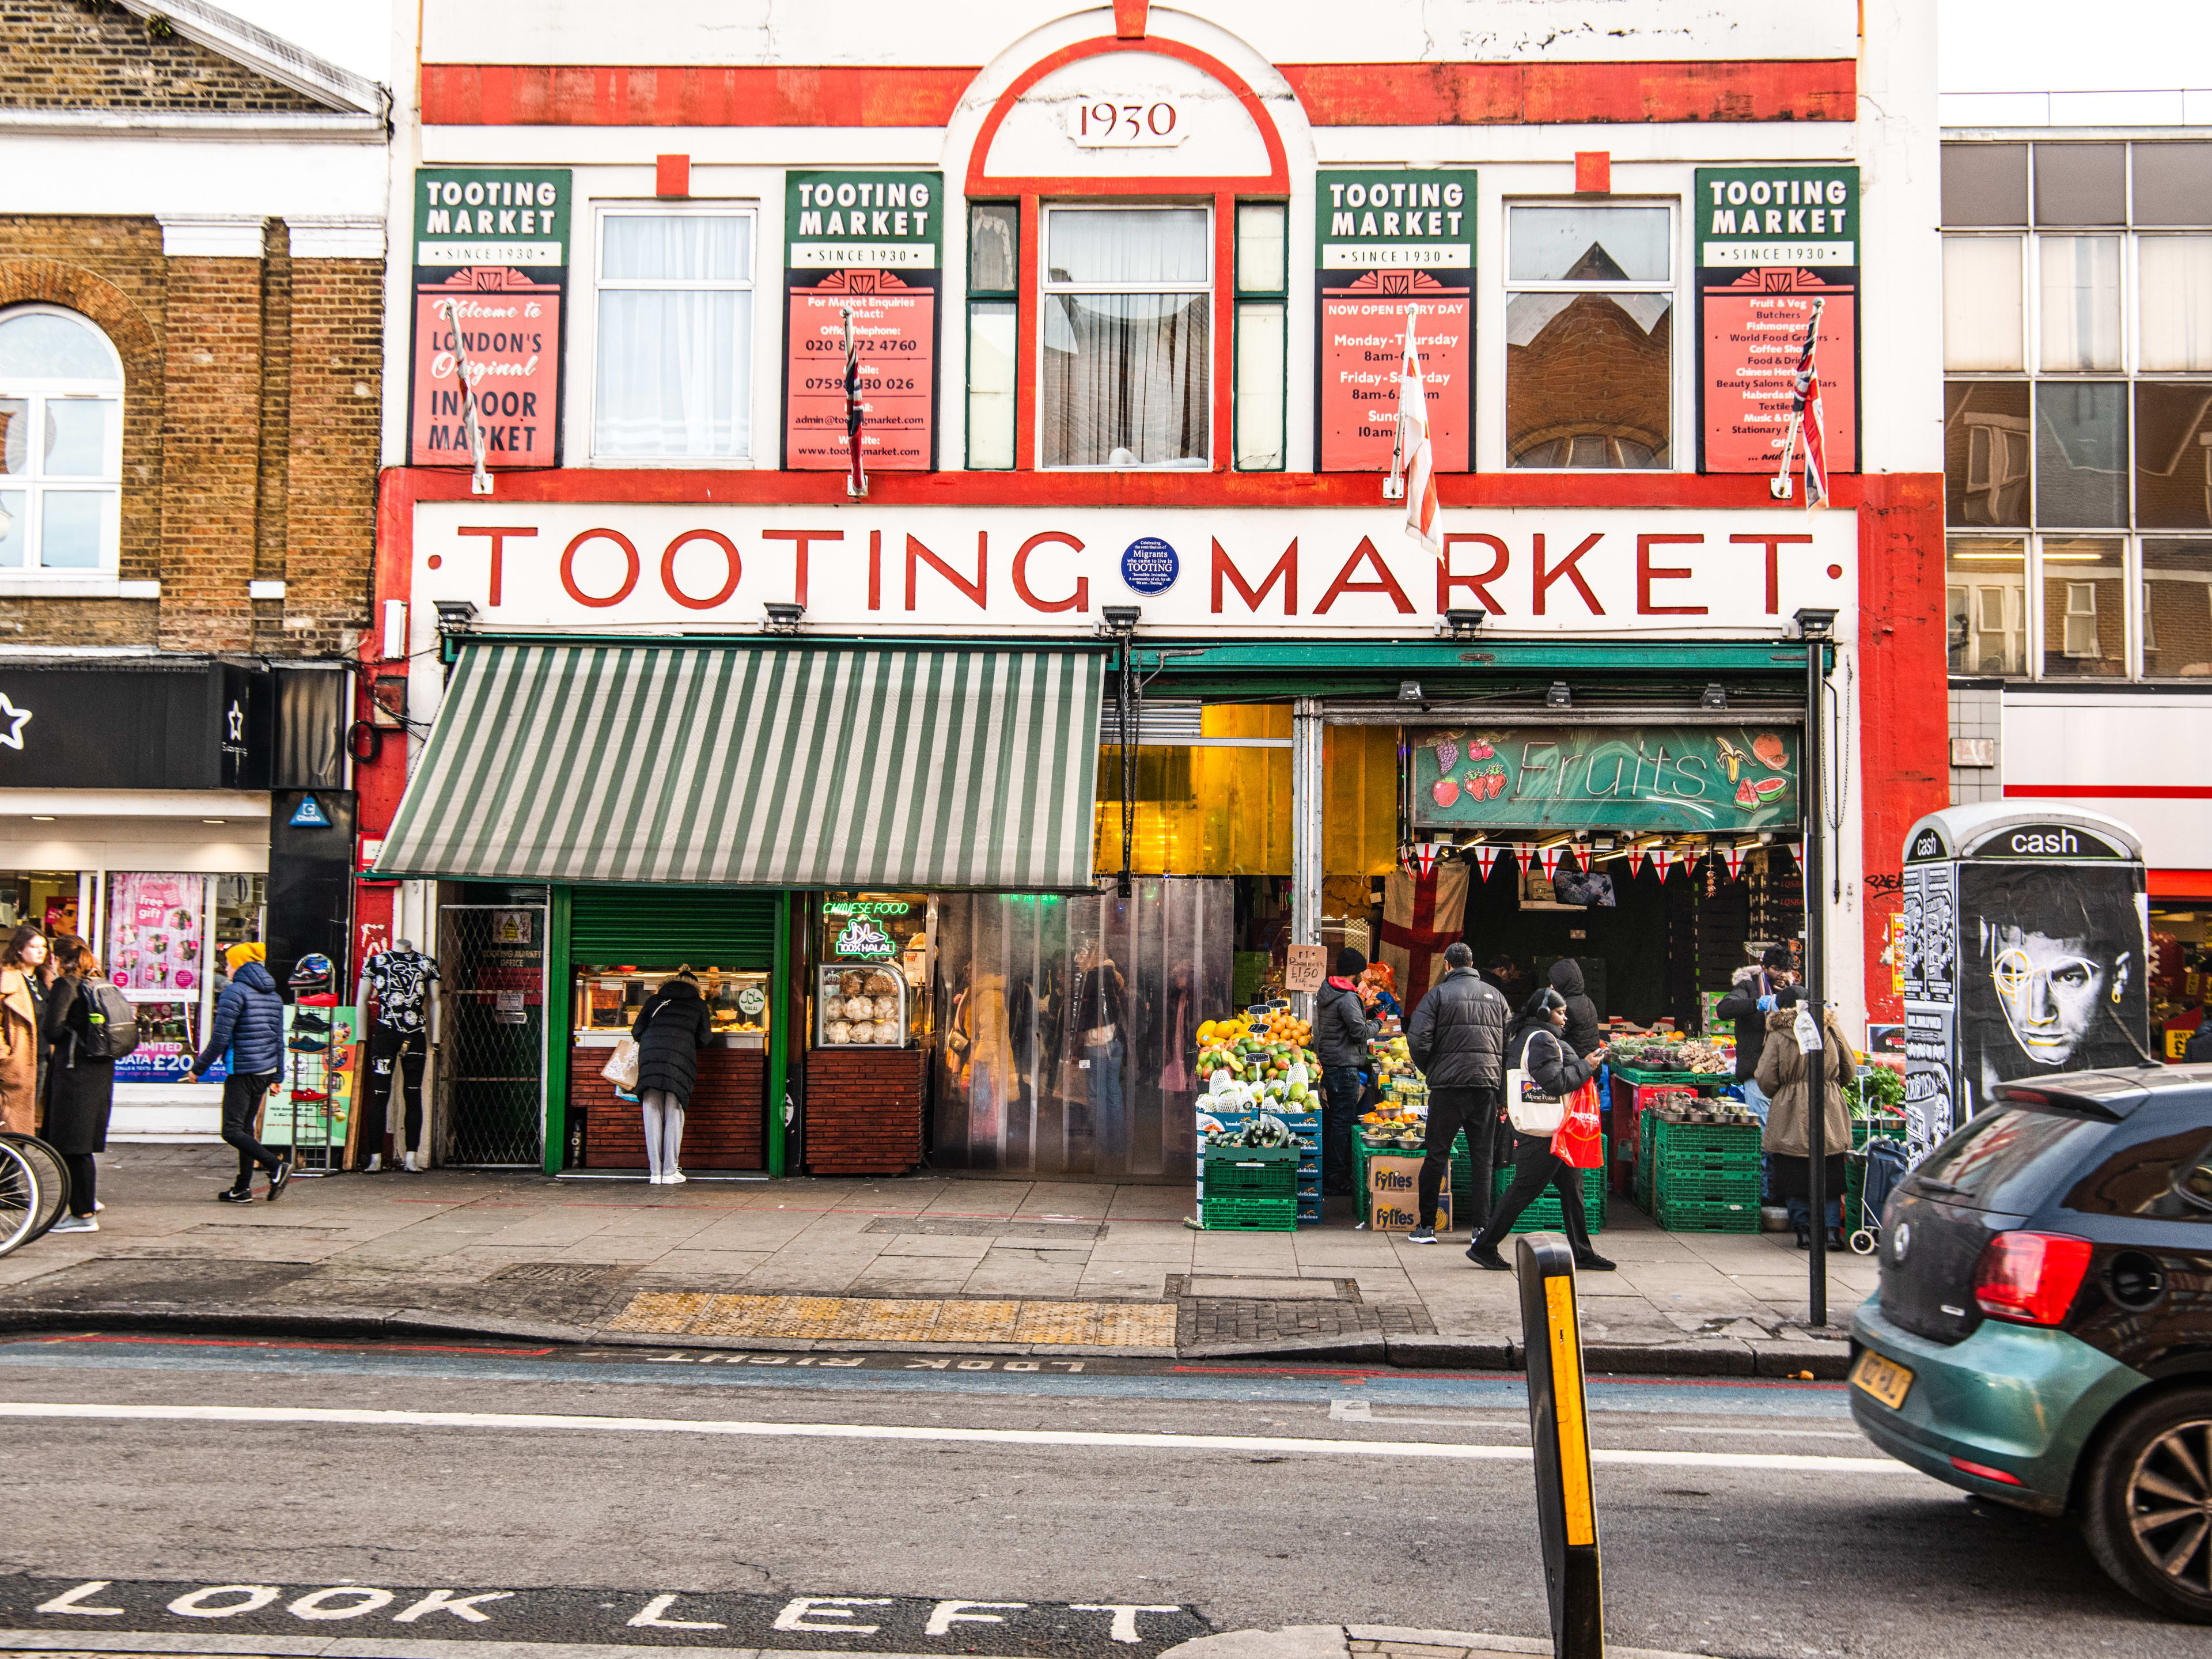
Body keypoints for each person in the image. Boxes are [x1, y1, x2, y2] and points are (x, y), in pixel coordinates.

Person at [1466, 987, 1615, 1272]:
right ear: (1544, 1013)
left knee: (1573, 1190)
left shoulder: (1526, 1037)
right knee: (1524, 1190)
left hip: (1550, 1129)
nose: (1564, 1019)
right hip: (1543, 1131)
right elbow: (1556, 1083)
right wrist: (1586, 1065)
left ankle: (1583, 1253)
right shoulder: (1543, 1041)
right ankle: (1484, 1246)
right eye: (1560, 1013)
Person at [1404, 941, 1510, 1242]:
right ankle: (1481, 1229)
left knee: (1436, 1155)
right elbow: (1507, 1048)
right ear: (1472, 964)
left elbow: (1418, 1040)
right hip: (1485, 1087)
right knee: (1482, 1158)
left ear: (1448, 966)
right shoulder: (1498, 998)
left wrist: (1433, 1070)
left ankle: (1426, 1227)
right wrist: (1500, 1090)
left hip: (1448, 1088)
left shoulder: (1437, 995)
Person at [1755, 986, 1857, 1248]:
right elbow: (1849, 1069)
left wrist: (1787, 1090)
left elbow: (1765, 1077)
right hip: (1829, 1106)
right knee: (1831, 1172)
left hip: (1790, 1109)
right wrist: (1829, 1086)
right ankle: (1832, 1232)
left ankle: (1803, 1233)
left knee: (1793, 1173)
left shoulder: (1777, 1035)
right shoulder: (1831, 1029)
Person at [188, 942, 289, 1202]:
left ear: (241, 965)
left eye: (230, 964)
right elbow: (279, 1039)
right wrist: (277, 1076)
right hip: (265, 1070)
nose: (227, 968)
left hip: (243, 1070)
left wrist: (199, 1068)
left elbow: (220, 1038)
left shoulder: (235, 993)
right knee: (244, 1128)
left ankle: (276, 1166)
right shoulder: (274, 995)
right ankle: (242, 1189)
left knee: (231, 1131)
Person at [40, 937, 115, 1233]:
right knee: (78, 1143)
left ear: (57, 959)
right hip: (99, 1071)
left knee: (74, 1145)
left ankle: (83, 1214)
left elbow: (53, 1029)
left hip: (75, 1072)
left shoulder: (67, 984)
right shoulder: (97, 981)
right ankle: (85, 1203)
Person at [634, 966, 713, 1184]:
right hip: (680, 1057)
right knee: (674, 1111)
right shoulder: (698, 1004)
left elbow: (637, 1032)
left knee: (651, 1110)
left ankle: (655, 1173)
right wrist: (685, 1041)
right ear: (696, 987)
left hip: (650, 1054)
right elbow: (706, 1038)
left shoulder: (655, 1001)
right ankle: (670, 1172)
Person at [1315, 946, 1378, 1197]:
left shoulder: (1329, 990)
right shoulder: (1348, 997)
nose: (1363, 976)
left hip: (1332, 1066)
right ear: (1354, 973)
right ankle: (1335, 1178)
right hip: (1344, 1068)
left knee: (1335, 1123)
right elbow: (1360, 1033)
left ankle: (1332, 1172)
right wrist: (1379, 1019)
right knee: (1342, 1124)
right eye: (1361, 972)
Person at [1717, 945, 1796, 1128]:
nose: (1782, 975)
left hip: (1787, 1073)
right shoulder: (1749, 986)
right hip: (1757, 1071)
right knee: (1762, 1128)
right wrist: (1757, 1004)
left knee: (1786, 1129)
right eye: (1777, 969)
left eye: (1786, 970)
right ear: (1765, 968)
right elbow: (1724, 1008)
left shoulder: (1793, 993)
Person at [0, 924, 46, 1136]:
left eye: (44, 946)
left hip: (42, 1060)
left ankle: (19, 1167)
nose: (41, 951)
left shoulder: (46, 982)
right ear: (19, 949)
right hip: (16, 1063)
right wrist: (4, 1054)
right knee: (11, 1124)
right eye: (34, 946)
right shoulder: (7, 979)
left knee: (28, 1123)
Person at [1547, 958, 1604, 1058]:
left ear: (1562, 982)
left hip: (1578, 1063)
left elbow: (1551, 1037)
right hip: (1588, 1062)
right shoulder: (1586, 1000)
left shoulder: (1567, 1007)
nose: (1551, 986)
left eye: (1554, 983)